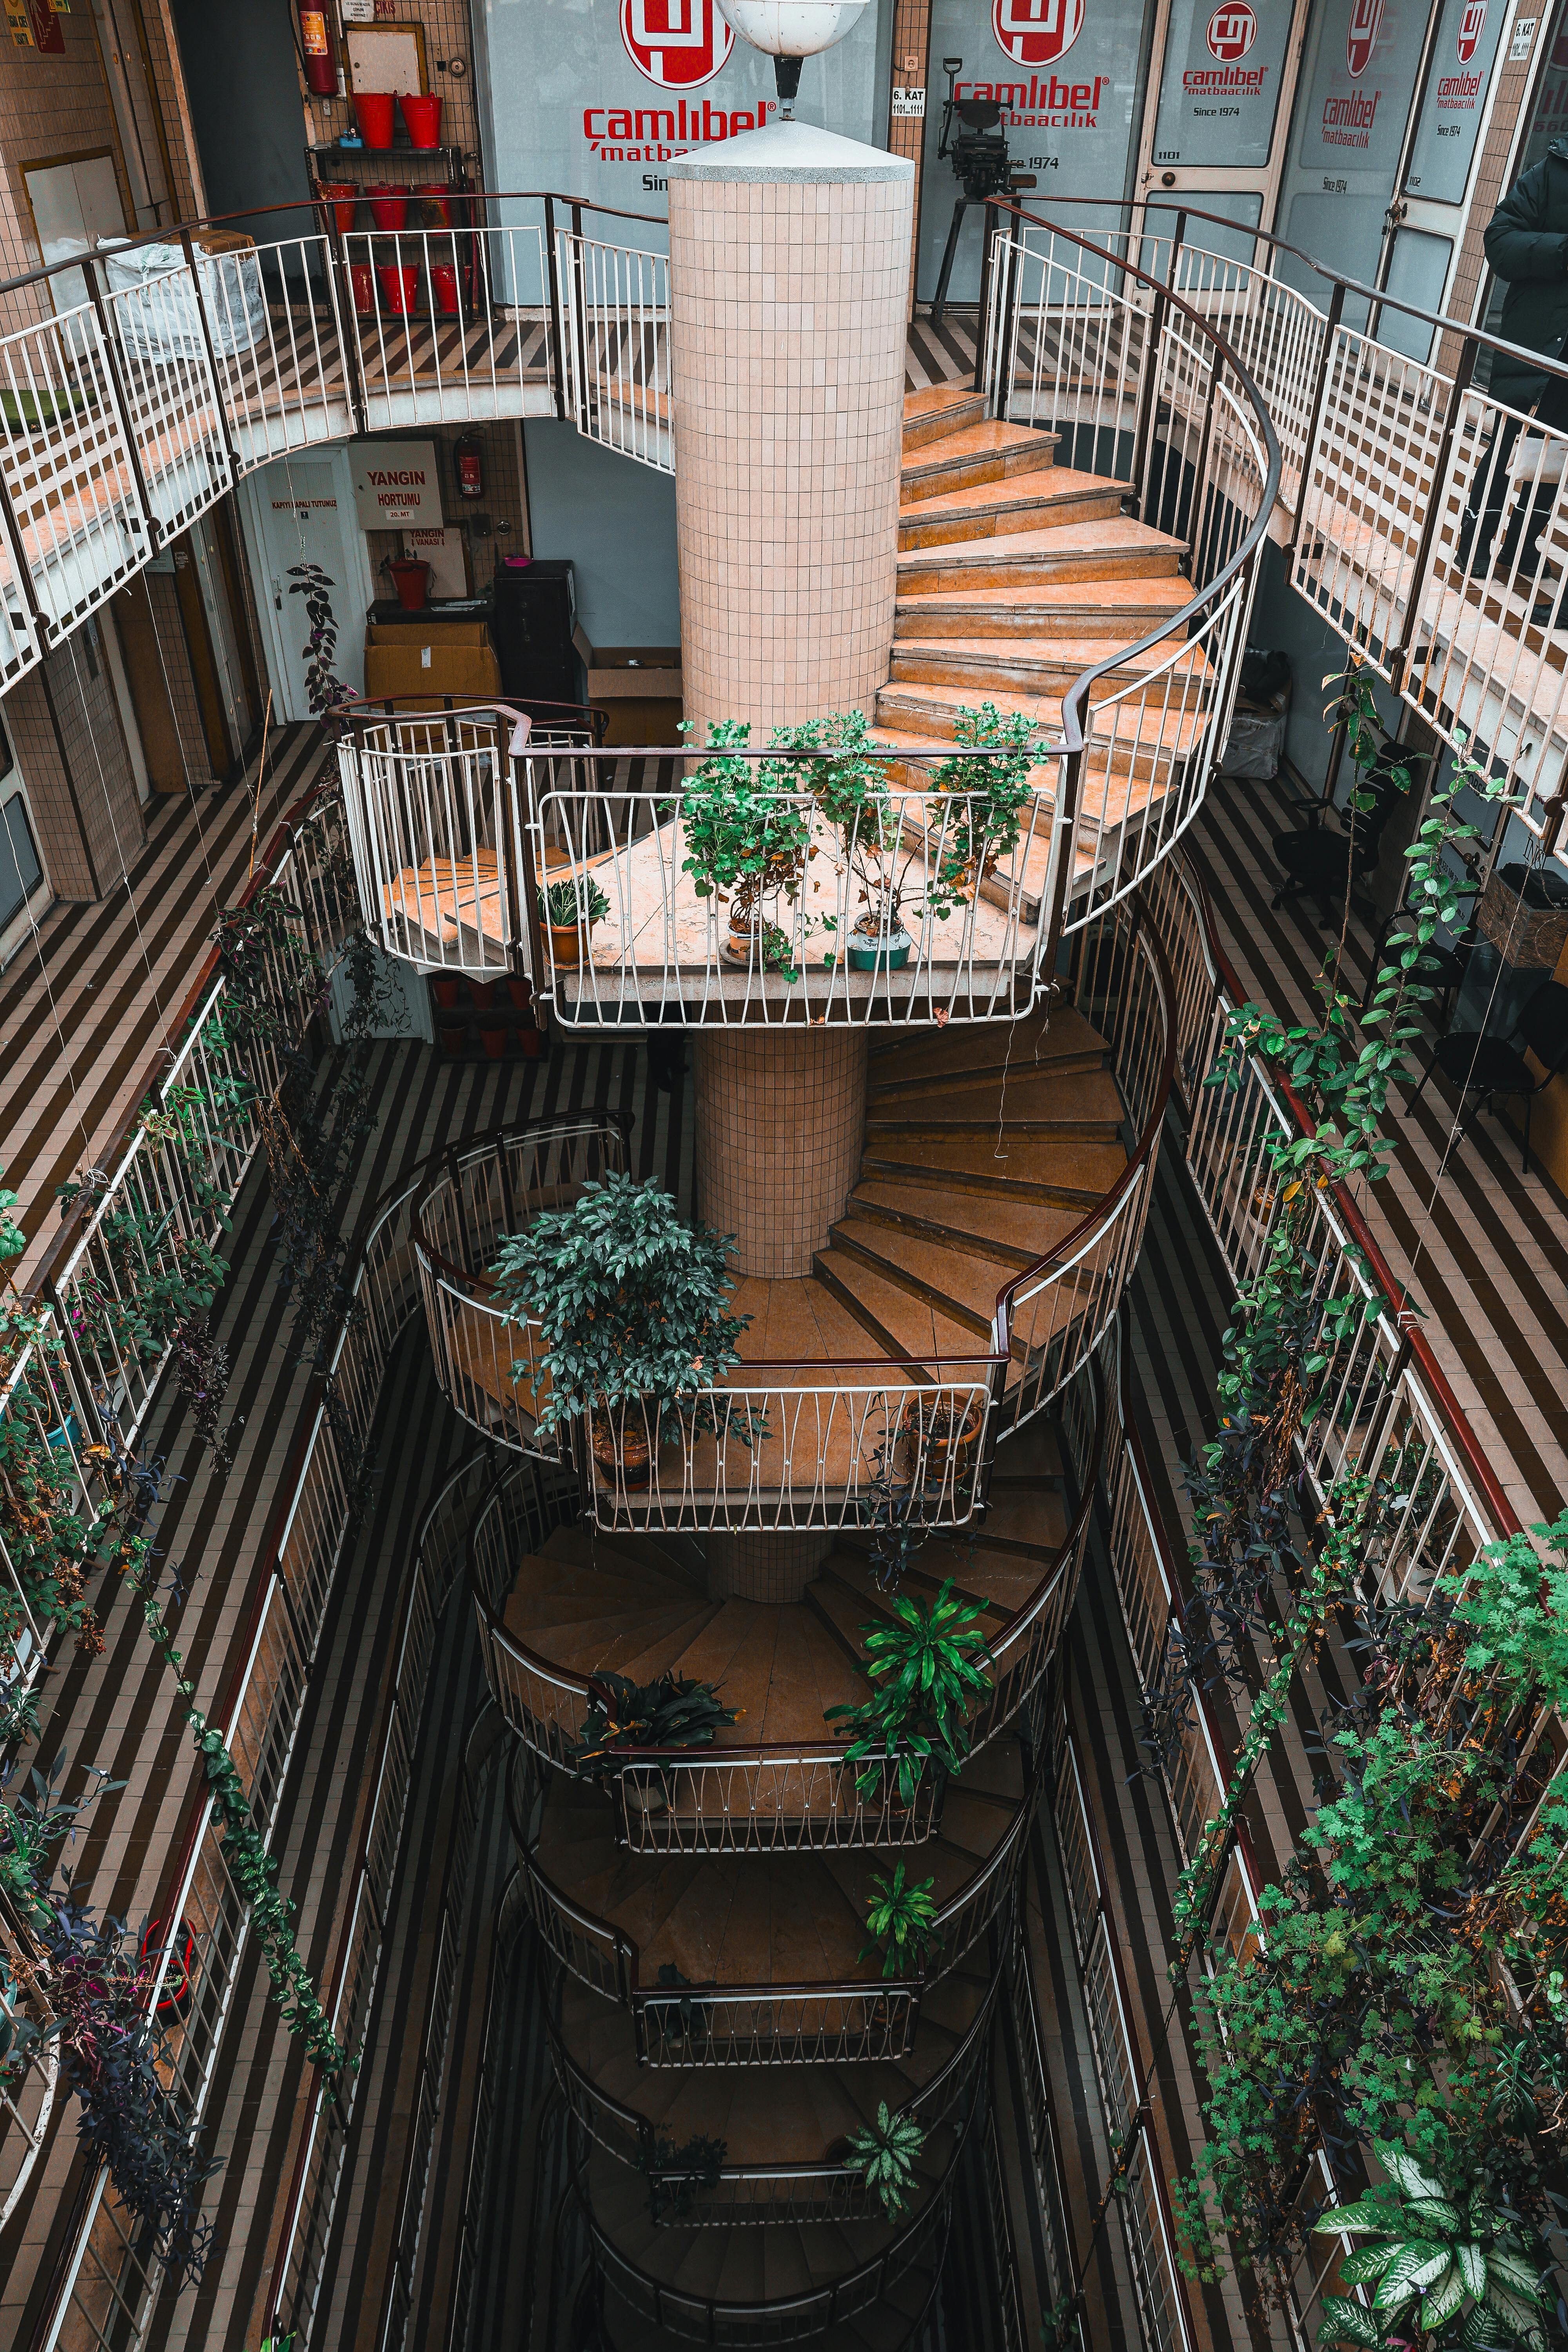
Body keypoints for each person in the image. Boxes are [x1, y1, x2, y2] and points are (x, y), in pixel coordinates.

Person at [1465, 144, 1568, 589]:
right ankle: (1474, 544)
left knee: (1556, 455)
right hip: (1536, 337)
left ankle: (1522, 548)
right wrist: (1563, 252)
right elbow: (1499, 240)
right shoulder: (1553, 171)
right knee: (1508, 443)